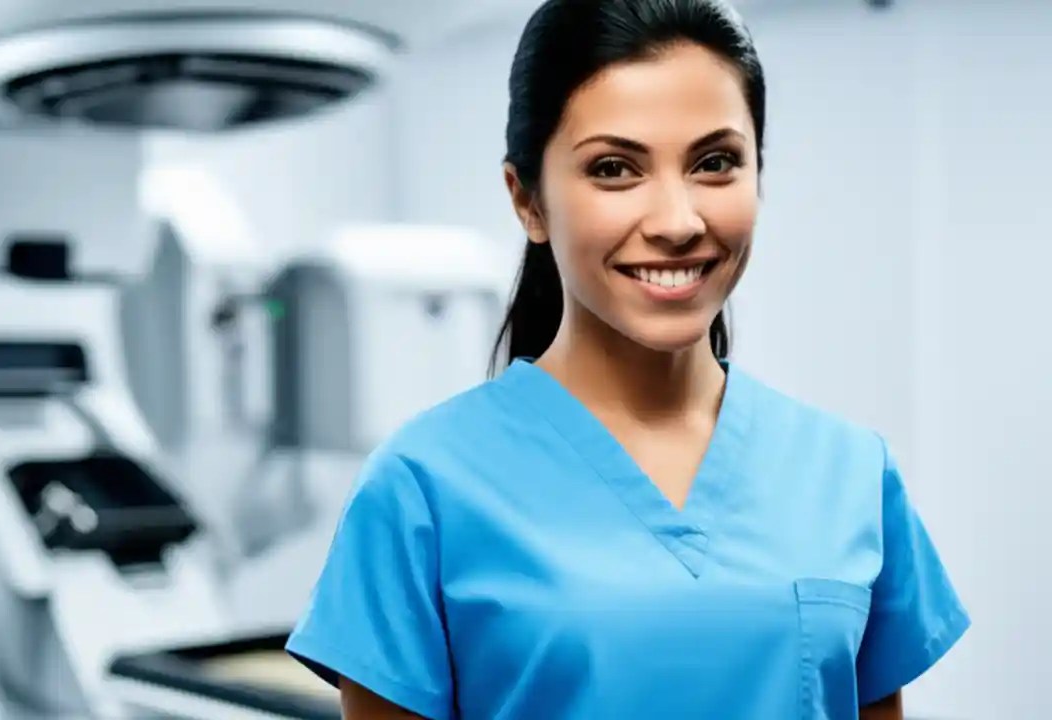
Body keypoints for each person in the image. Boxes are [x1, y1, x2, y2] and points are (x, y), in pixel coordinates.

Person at [284, 0, 970, 717]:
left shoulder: (850, 474)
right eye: (614, 169)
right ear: (529, 201)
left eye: (715, 163)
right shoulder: (421, 490)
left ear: (757, 177)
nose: (677, 221)